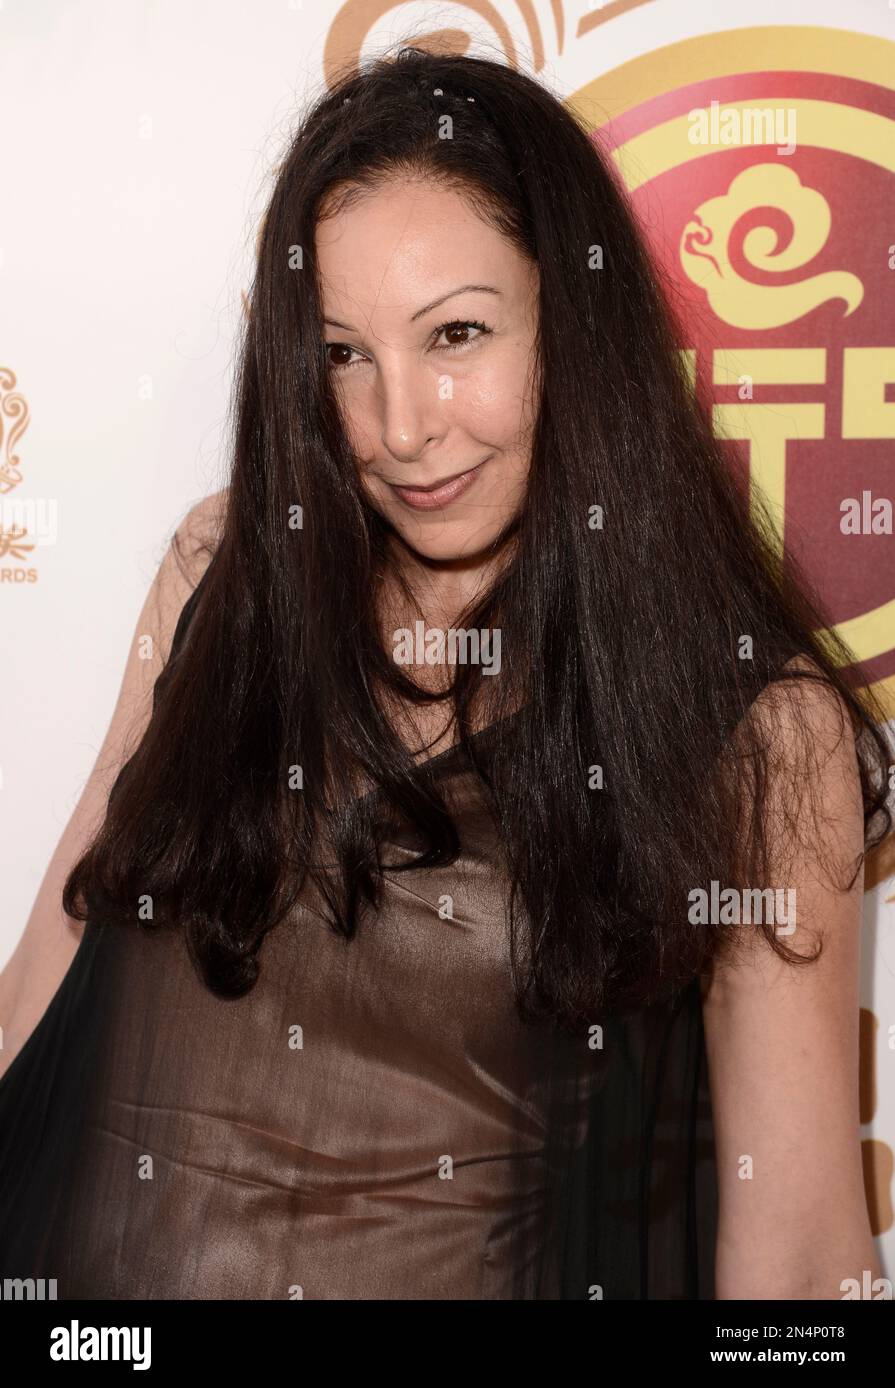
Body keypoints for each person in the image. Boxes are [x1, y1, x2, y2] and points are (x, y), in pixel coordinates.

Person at [0, 45, 890, 1301]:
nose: (399, 425)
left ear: (573, 326)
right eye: (343, 353)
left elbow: (796, 1257)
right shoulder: (225, 574)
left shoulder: (753, 731)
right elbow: (57, 958)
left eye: (456, 334)